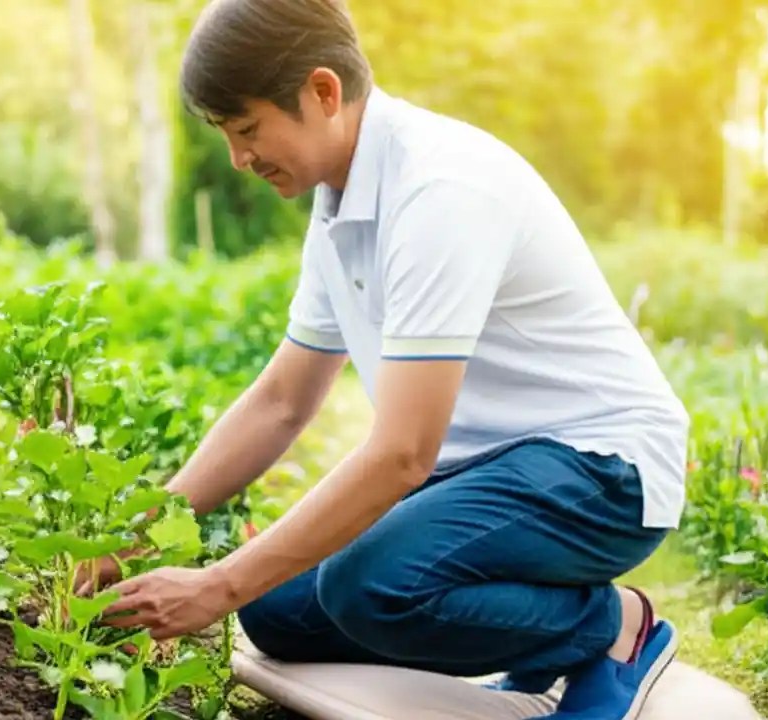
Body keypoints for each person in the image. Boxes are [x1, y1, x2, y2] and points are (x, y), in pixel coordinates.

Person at [75, 0, 691, 717]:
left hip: (600, 468)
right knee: (276, 608)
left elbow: (402, 454)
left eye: (247, 130)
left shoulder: (441, 191)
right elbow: (281, 401)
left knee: (366, 588)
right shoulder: (341, 204)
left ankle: (613, 630)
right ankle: (531, 632)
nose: (239, 159)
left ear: (324, 92)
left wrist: (217, 586)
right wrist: (133, 539)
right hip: (491, 472)